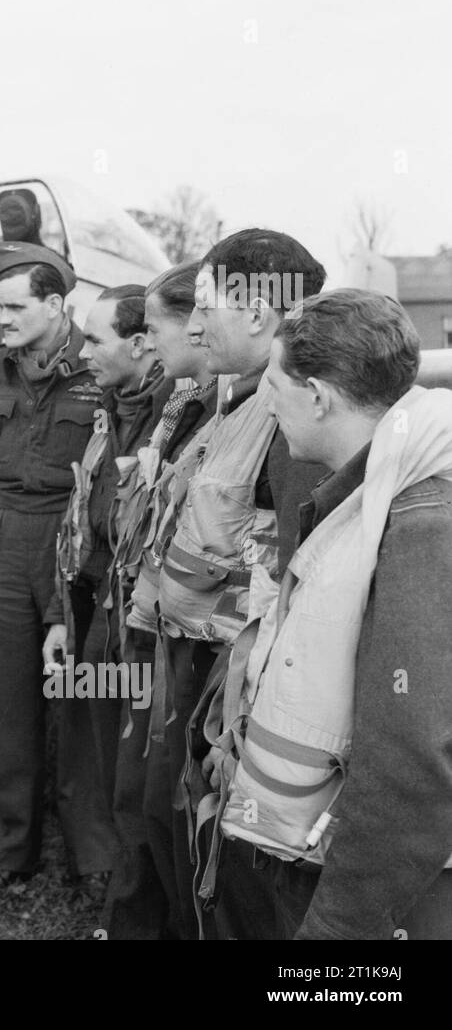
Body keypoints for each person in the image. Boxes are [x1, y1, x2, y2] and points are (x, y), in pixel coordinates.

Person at [198, 290, 452, 939]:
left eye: (275, 382)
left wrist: (338, 926)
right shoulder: (368, 494)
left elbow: (414, 761)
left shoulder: (418, 527)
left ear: (316, 395)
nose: (266, 400)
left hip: (373, 892)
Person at [157, 228, 325, 938]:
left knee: (243, 887)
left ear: (258, 313)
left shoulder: (297, 426)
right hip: (214, 660)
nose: (196, 325)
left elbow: (301, 595)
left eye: (207, 305)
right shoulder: (241, 404)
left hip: (250, 691)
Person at [0, 241, 116, 895]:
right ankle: (11, 854)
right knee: (7, 705)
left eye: (17, 307)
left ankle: (93, 858)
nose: (5, 321)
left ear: (57, 305)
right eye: (0, 308)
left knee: (80, 701)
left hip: (69, 539)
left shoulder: (98, 366)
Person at [40, 284, 172, 909]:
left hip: (139, 617)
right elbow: (83, 516)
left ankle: (135, 892)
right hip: (93, 602)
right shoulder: (113, 407)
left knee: (133, 757)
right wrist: (62, 616)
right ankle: (101, 868)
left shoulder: (176, 416)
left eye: (94, 339)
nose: (82, 349)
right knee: (91, 734)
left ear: (141, 343)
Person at [111, 263, 217, 939]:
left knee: (171, 811)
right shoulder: (179, 407)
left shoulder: (233, 414)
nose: (145, 343)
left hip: (192, 651)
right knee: (141, 801)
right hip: (152, 631)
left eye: (153, 327)